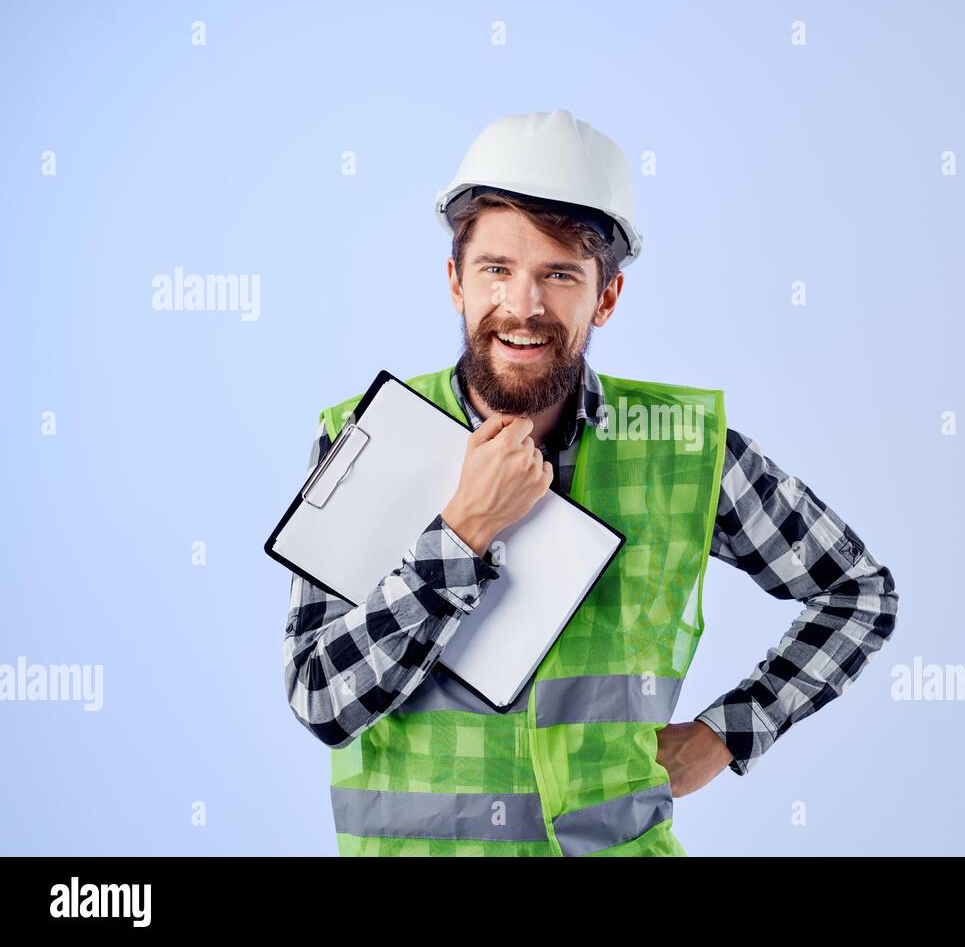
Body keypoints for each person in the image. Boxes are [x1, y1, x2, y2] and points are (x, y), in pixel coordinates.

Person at [282, 110, 899, 856]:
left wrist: (728, 734)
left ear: (605, 297)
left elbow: (857, 593)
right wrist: (461, 535)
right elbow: (322, 701)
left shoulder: (684, 451)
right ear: (456, 282)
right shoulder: (367, 440)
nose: (523, 306)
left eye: (559, 275)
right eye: (498, 269)